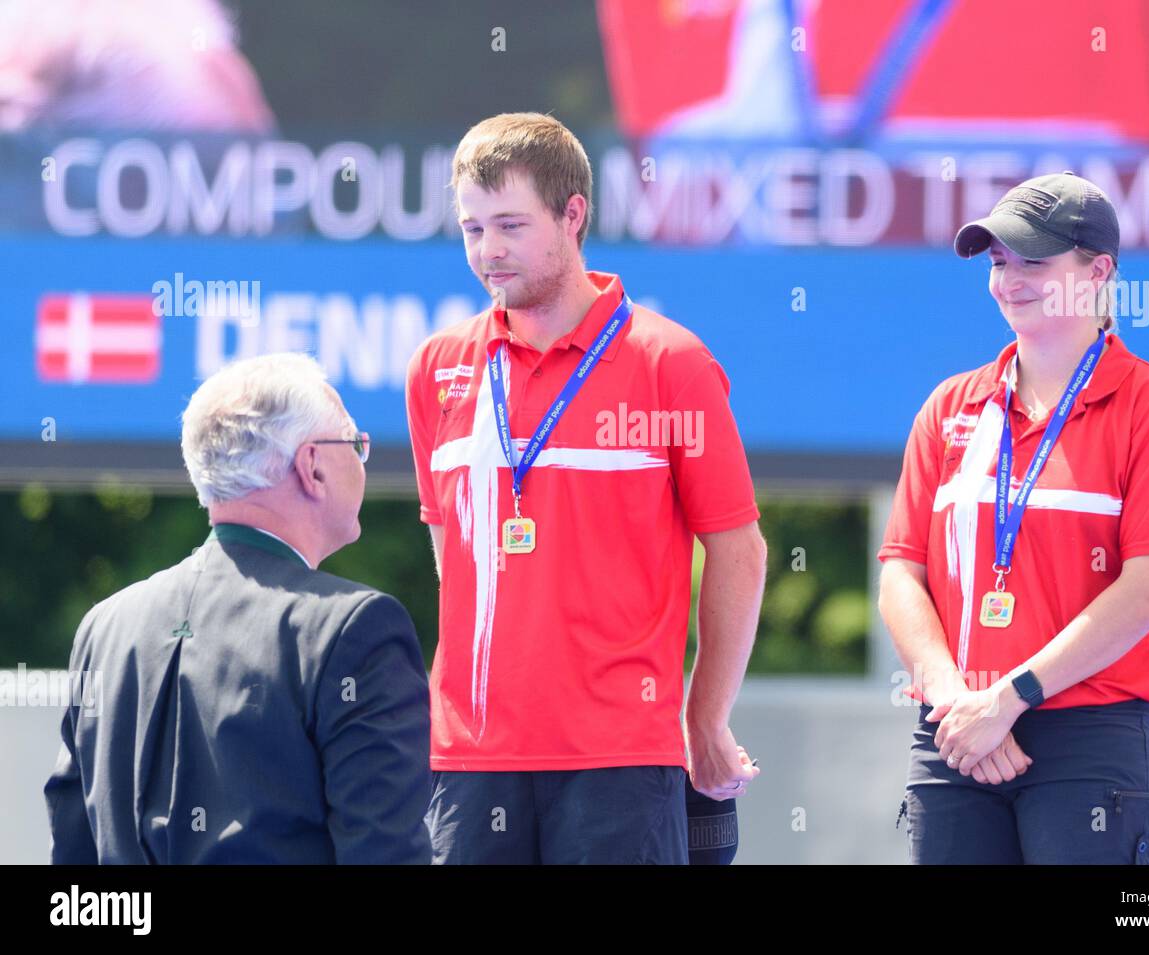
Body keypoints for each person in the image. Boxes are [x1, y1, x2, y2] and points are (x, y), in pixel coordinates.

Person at [405, 112, 767, 864]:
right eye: (472, 229)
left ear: (574, 214)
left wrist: (706, 716)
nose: (488, 251)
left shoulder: (671, 362)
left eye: (510, 224)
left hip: (621, 756)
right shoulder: (437, 366)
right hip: (470, 758)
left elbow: (738, 548)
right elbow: (455, 553)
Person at [878, 172, 1149, 864]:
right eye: (999, 261)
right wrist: (957, 701)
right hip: (956, 736)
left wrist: (1011, 697)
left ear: (1099, 272)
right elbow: (901, 574)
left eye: (1033, 260)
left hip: (1087, 738)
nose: (1008, 279)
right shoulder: (950, 407)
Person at [44, 353, 433, 864]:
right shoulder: (356, 631)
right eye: (354, 443)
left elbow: (73, 861)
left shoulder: (106, 627)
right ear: (311, 465)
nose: (363, 456)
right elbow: (384, 854)